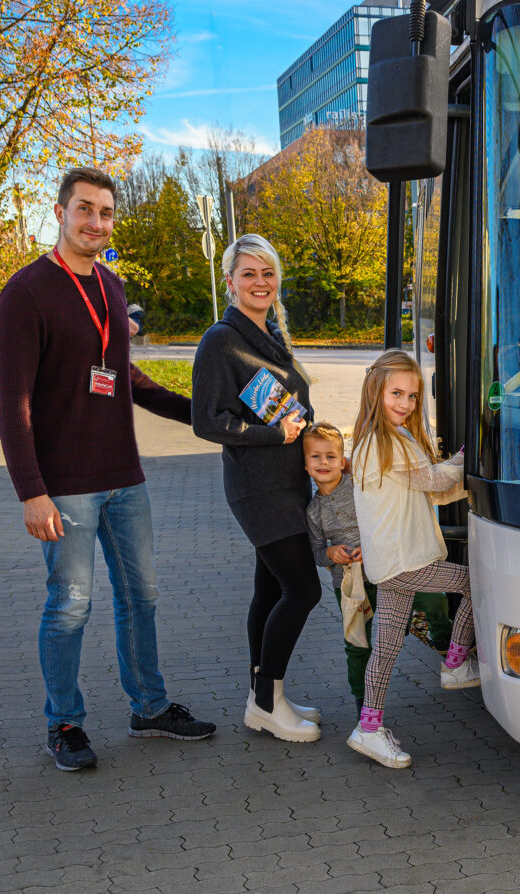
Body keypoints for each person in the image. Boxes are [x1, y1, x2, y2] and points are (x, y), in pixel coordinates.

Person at [0, 166, 216, 773]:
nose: (96, 222)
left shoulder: (111, 287)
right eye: (85, 209)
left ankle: (149, 708)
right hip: (65, 487)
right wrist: (31, 492)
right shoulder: (27, 292)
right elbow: (11, 403)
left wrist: (203, 413)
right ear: (60, 212)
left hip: (125, 478)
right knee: (70, 605)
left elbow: (124, 377)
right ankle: (63, 723)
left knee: (141, 597)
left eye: (106, 212)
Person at [191, 234, 322, 743]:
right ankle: (267, 699)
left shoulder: (269, 333)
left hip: (288, 481)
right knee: (303, 589)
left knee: (269, 589)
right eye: (248, 274)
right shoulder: (221, 340)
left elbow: (290, 408)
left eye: (267, 273)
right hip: (257, 487)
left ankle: (263, 697)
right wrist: (275, 434)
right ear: (230, 282)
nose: (259, 282)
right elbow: (207, 421)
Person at [346, 349, 479, 769]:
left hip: (390, 564)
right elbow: (438, 480)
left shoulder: (385, 440)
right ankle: (456, 662)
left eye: (413, 396)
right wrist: (469, 456)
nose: (405, 403)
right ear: (376, 390)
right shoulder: (385, 442)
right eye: (397, 393)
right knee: (476, 581)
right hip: (406, 560)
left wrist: (461, 474)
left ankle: (368, 727)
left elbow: (436, 493)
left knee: (384, 649)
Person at [302, 422, 455, 712]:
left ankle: (443, 637)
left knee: (432, 597)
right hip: (350, 585)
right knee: (358, 643)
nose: (324, 463)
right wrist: (330, 553)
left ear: (343, 461)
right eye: (316, 457)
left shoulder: (359, 484)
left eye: (331, 456)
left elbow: (386, 512)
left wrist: (370, 546)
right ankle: (363, 702)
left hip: (389, 566)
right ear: (305, 464)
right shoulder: (313, 511)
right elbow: (315, 551)